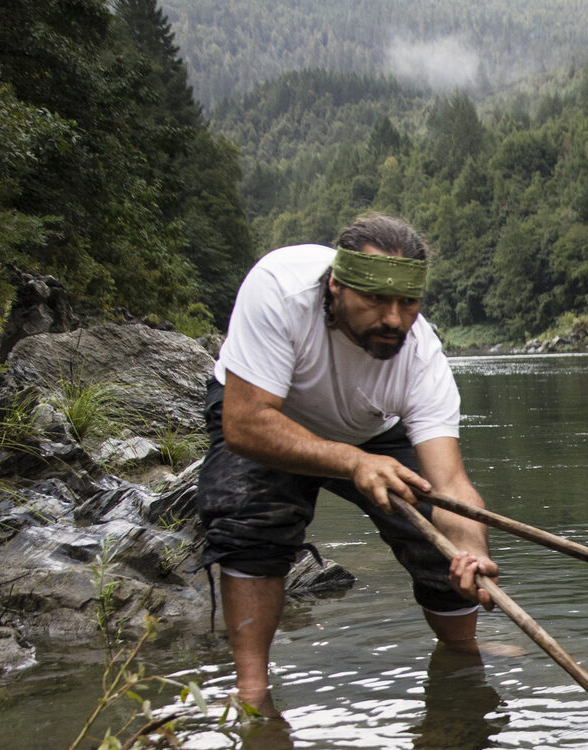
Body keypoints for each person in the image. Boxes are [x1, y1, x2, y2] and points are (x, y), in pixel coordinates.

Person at [198, 212, 497, 711]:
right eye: (375, 300)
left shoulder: (421, 356)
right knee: (251, 524)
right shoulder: (279, 288)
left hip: (373, 430)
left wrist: (468, 549)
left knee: (436, 542)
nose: (394, 319)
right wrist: (351, 462)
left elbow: (450, 483)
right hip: (268, 411)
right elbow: (245, 423)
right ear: (335, 287)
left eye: (408, 302)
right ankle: (252, 689)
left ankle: (462, 657)